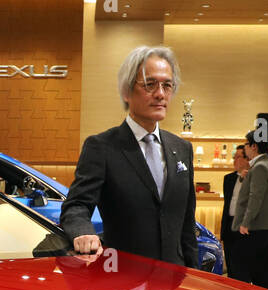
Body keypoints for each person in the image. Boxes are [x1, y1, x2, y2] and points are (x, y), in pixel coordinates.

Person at [61, 46, 198, 267]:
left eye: (167, 85)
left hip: (174, 280)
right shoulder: (102, 147)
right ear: (126, 91)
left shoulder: (181, 148)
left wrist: (194, 279)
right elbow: (76, 205)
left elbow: (186, 224)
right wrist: (83, 233)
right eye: (150, 84)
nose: (160, 94)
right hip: (123, 279)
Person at [231, 131, 268, 290]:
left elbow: (256, 197)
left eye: (246, 144)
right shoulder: (264, 164)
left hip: (260, 226)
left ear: (254, 146)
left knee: (253, 264)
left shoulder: (260, 166)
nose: (245, 148)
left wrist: (246, 222)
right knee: (262, 264)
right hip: (266, 225)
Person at [220, 145, 248, 279]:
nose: (235, 160)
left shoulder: (252, 177)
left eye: (238, 157)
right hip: (229, 224)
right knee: (230, 264)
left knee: (242, 265)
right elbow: (227, 205)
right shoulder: (228, 179)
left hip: (244, 224)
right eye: (234, 157)